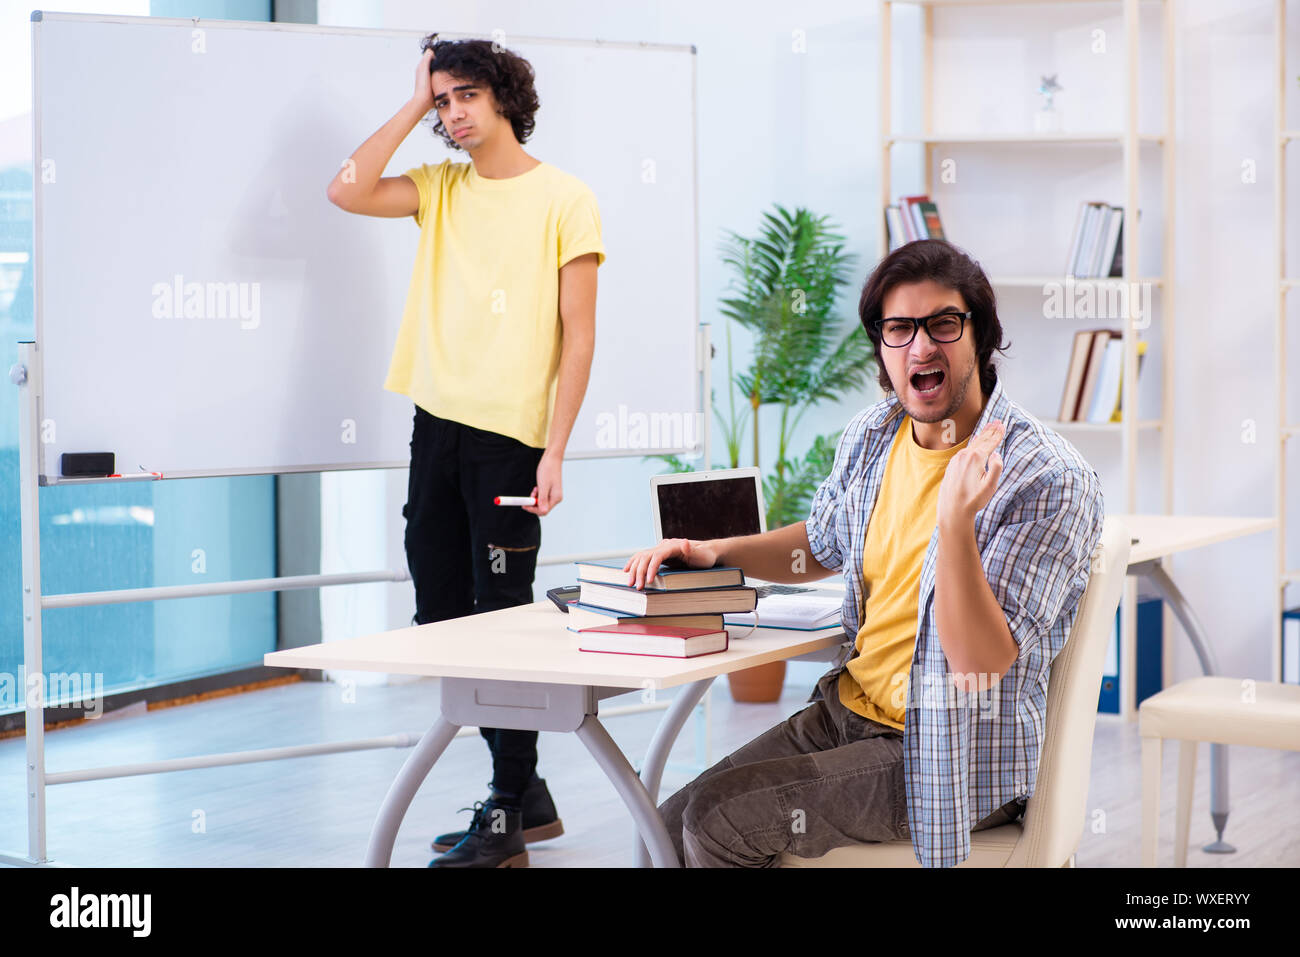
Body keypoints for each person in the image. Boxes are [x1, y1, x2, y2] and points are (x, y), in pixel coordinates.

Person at [624, 239, 1105, 867]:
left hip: (950, 753)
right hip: (846, 712)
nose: (921, 346)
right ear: (881, 346)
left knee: (720, 821)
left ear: (979, 336)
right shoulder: (875, 434)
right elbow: (821, 542)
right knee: (659, 827)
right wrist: (716, 551)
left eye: (943, 324)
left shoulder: (1044, 476)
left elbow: (979, 664)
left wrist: (956, 520)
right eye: (899, 329)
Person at [327, 33, 605, 868]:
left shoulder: (565, 198)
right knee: (442, 616)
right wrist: (411, 102)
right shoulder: (440, 190)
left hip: (512, 441)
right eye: (443, 101)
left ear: (504, 96)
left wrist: (555, 452)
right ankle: (523, 791)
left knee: (505, 621)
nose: (453, 113)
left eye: (464, 96)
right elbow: (345, 191)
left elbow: (579, 337)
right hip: (436, 427)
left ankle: (508, 814)